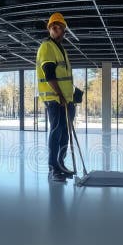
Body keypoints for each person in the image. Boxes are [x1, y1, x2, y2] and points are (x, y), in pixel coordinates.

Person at [36, 12, 76, 182]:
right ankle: (53, 169)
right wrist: (59, 95)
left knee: (65, 133)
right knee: (56, 131)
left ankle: (61, 165)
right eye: (54, 28)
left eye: (60, 28)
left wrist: (72, 95)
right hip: (54, 99)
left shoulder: (62, 50)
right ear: (50, 30)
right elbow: (49, 74)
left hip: (66, 99)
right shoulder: (47, 47)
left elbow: (64, 77)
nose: (57, 31)